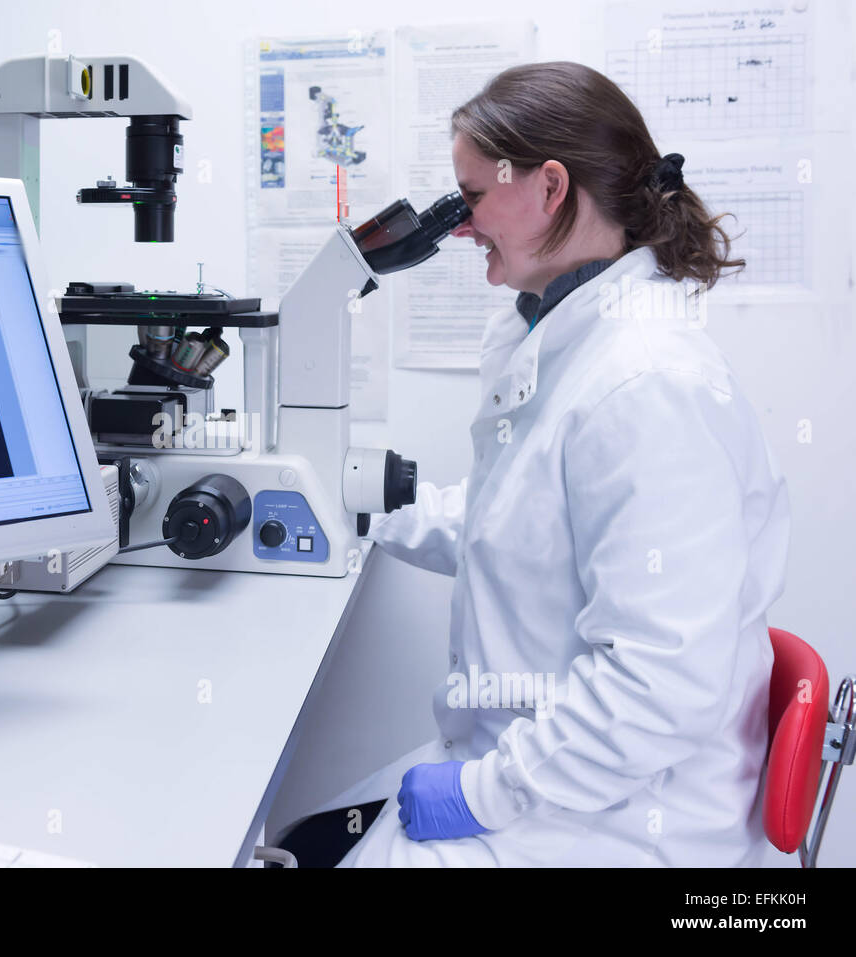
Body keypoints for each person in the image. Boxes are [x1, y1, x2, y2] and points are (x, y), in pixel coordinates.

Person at [294, 61, 791, 867]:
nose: (458, 226)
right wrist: (364, 513)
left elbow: (658, 687)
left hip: (623, 815)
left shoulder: (647, 385)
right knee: (305, 837)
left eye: (472, 198)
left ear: (551, 188)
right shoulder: (558, 340)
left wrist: (484, 794)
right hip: (548, 762)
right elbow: (516, 526)